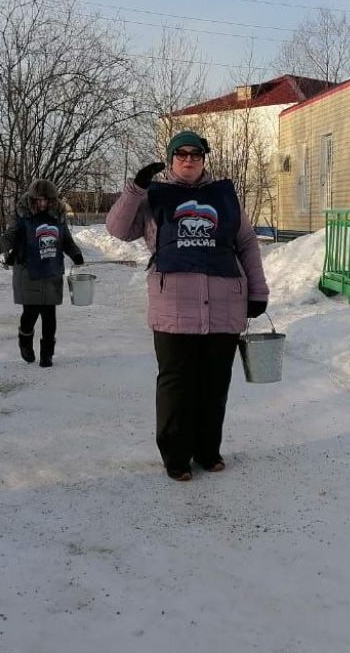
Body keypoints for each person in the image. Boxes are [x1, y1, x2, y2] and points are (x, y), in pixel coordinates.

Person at [106, 130, 269, 482]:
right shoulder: (154, 196)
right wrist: (135, 188)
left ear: (204, 159)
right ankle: (176, 457)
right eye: (182, 154)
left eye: (196, 154)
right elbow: (118, 229)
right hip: (173, 307)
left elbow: (247, 244)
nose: (189, 159)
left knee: (214, 384)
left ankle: (208, 451)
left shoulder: (224, 197)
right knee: (176, 384)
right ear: (171, 159)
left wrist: (258, 290)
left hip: (226, 303)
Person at [0, 179, 84, 368]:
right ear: (32, 199)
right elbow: (11, 236)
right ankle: (25, 342)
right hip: (27, 269)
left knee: (50, 315)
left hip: (51, 270)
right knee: (30, 313)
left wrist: (76, 254)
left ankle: (47, 354)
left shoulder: (57, 215)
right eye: (39, 200)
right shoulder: (23, 215)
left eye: (46, 200)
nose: (42, 204)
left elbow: (66, 240)